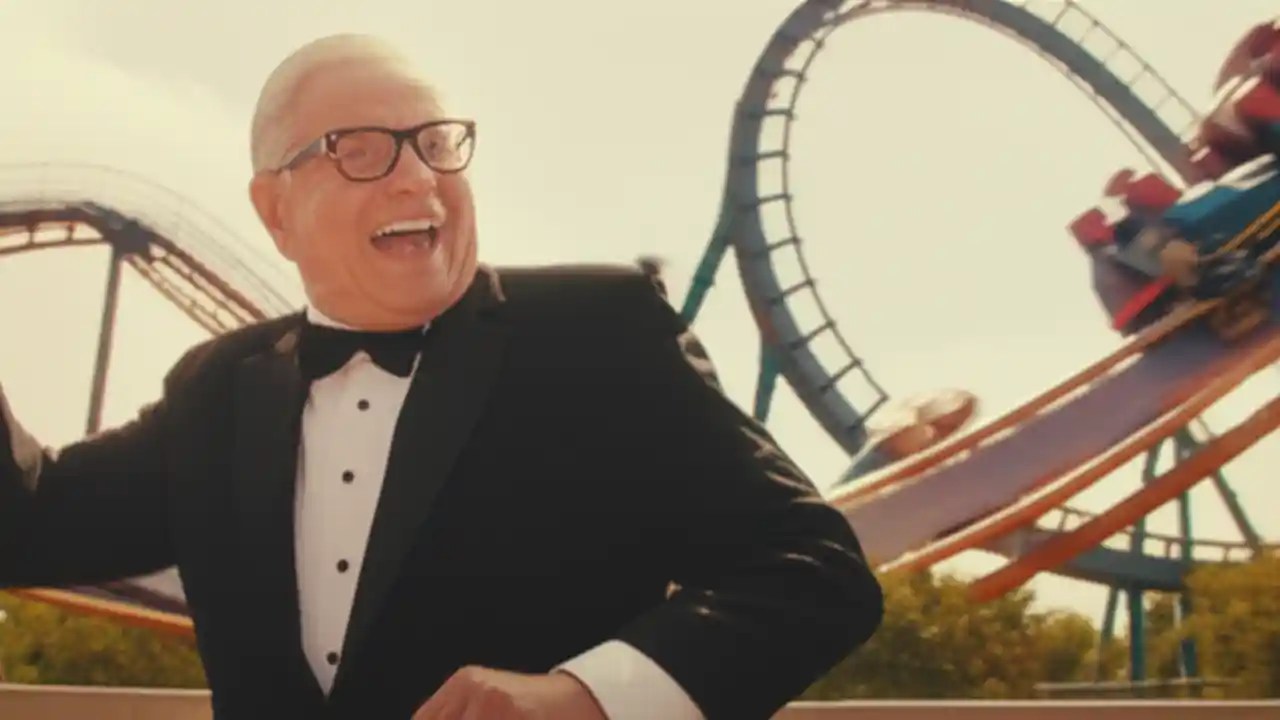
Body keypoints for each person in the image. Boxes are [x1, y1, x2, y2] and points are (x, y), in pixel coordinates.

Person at [0, 34, 883, 719]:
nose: (415, 176)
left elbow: (816, 571)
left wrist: (588, 693)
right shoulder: (217, 388)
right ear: (274, 207)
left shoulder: (602, 333)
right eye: (360, 149)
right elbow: (26, 523)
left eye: (435, 142)